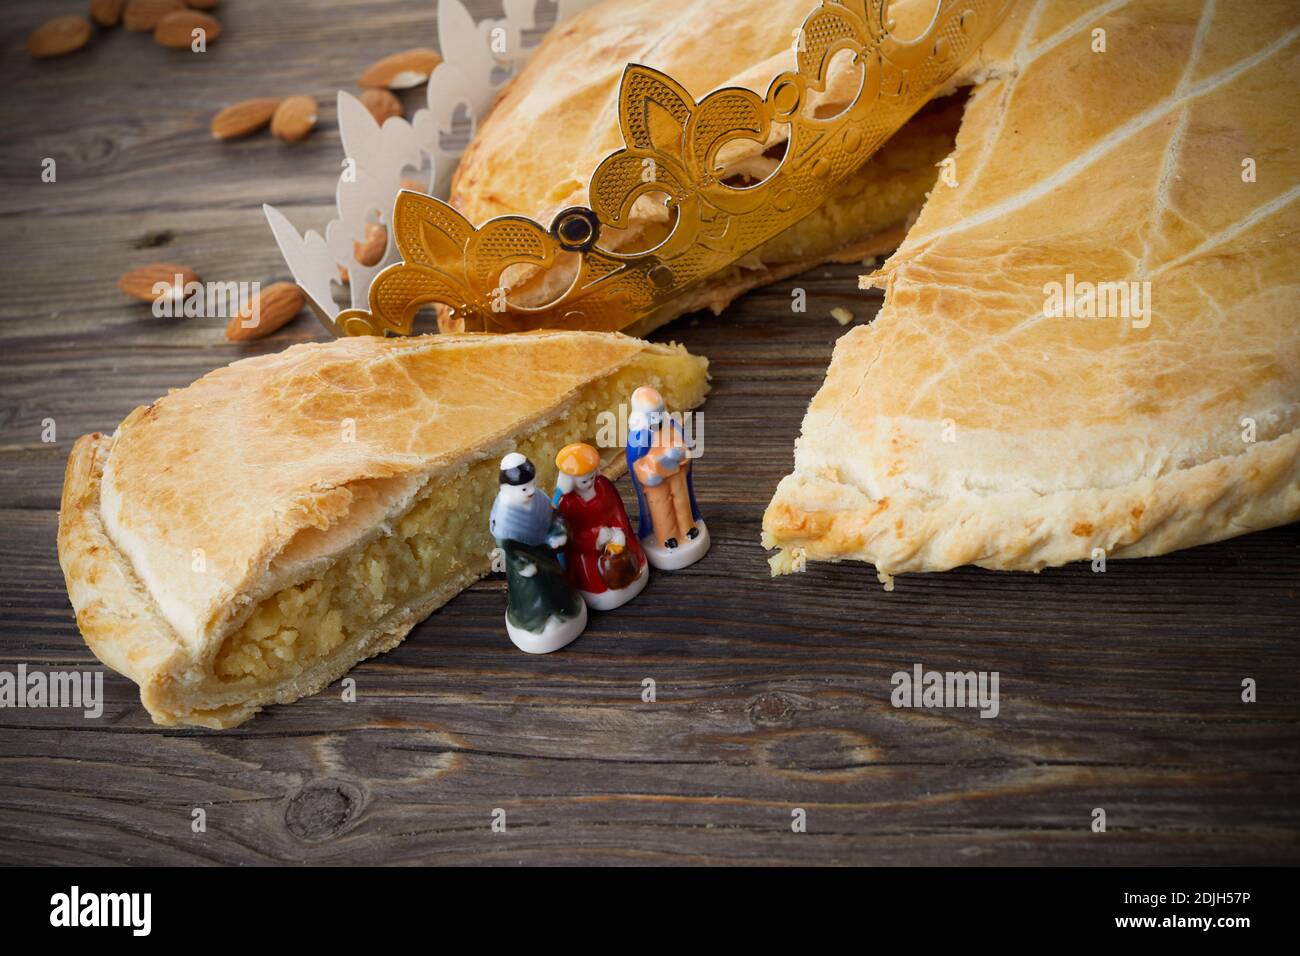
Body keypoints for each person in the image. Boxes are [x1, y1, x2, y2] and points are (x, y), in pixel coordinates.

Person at [489, 453, 586, 653]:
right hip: (524, 562)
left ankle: (563, 613)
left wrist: (558, 532)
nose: (531, 491)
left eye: (533, 484)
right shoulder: (504, 514)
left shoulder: (538, 497)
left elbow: (554, 516)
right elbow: (503, 544)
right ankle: (536, 622)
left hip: (545, 553)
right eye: (524, 488)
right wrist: (520, 563)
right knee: (534, 591)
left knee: (557, 584)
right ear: (506, 489)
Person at [553, 442, 648, 610]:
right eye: (584, 480)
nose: (590, 482)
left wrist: (618, 531)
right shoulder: (567, 503)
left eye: (592, 476)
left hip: (616, 536)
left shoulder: (603, 485)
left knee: (630, 551)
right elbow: (570, 534)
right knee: (588, 567)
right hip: (586, 549)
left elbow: (617, 510)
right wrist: (596, 537)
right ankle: (598, 591)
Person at [626, 385, 710, 570]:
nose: (656, 418)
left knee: (682, 501)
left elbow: (685, 446)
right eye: (651, 414)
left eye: (658, 412)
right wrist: (652, 470)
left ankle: (688, 529)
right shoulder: (639, 436)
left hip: (677, 474)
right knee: (662, 509)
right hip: (656, 483)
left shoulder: (672, 426)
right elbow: (637, 463)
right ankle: (668, 537)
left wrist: (680, 454)